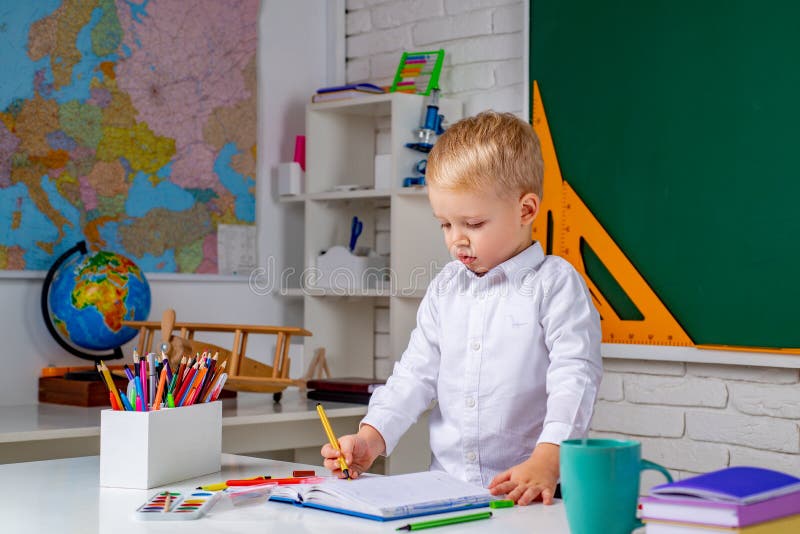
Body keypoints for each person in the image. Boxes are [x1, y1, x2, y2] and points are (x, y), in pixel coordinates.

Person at [321, 110, 603, 506]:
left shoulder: (554, 283)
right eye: (445, 224)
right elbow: (414, 376)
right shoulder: (446, 287)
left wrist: (549, 457)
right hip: (448, 488)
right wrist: (371, 437)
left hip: (533, 491)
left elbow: (575, 376)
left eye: (473, 223)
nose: (457, 240)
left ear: (526, 210)